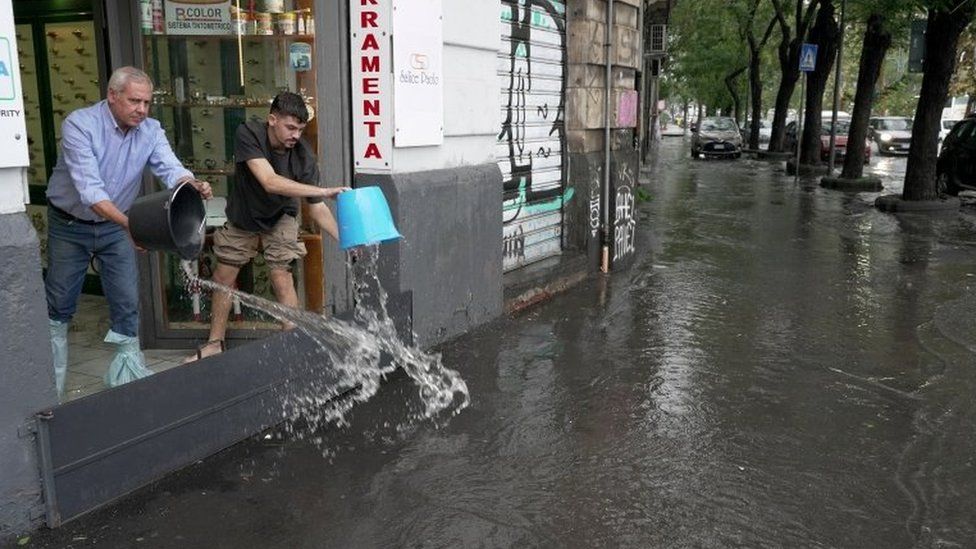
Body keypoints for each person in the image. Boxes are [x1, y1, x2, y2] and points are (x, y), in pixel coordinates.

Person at [45, 66, 212, 399]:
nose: (142, 110)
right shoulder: (80, 125)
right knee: (59, 306)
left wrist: (192, 184)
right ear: (112, 96)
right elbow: (91, 192)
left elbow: (170, 167)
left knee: (126, 303)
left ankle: (129, 390)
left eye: (147, 102)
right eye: (135, 101)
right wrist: (132, 227)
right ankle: (52, 396)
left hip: (113, 226)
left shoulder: (150, 130)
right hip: (69, 225)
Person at [187, 92, 347, 361]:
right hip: (244, 215)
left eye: (301, 129)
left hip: (281, 214)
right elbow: (269, 181)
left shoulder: (304, 156)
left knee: (281, 275)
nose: (296, 135)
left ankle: (292, 343)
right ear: (272, 120)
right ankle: (215, 343)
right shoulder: (248, 133)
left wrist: (346, 241)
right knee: (224, 277)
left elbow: (317, 207)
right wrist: (325, 189)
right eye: (291, 127)